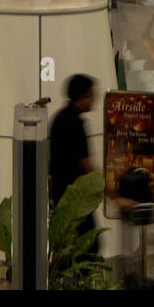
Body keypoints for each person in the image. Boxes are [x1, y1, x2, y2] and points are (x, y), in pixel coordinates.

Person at [49, 74, 97, 232]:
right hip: (74, 200)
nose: (93, 100)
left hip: (60, 196)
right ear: (82, 96)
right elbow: (87, 167)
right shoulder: (75, 123)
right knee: (89, 243)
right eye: (91, 95)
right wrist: (114, 196)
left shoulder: (59, 118)